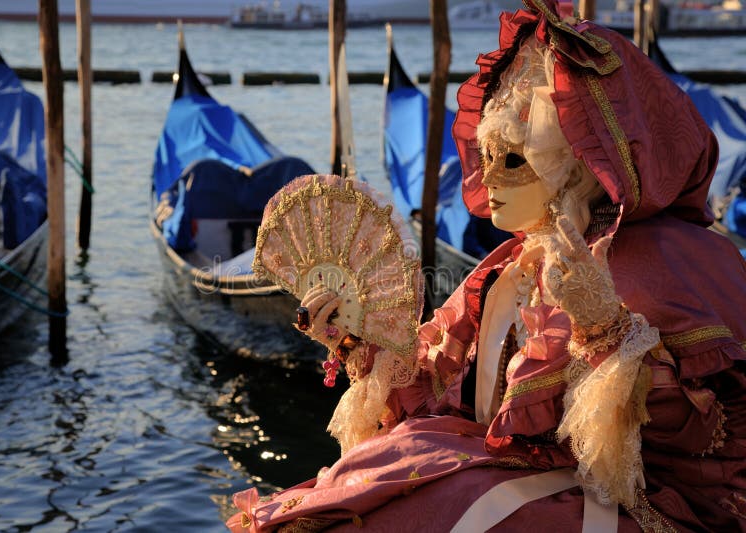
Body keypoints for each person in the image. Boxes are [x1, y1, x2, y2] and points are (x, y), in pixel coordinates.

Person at [229, 0, 746, 530]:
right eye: (488, 154)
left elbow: (710, 437)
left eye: (514, 159)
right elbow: (441, 397)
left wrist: (607, 333)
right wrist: (357, 341)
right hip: (516, 474)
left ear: (582, 167)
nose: (487, 176)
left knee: (449, 498)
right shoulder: (505, 271)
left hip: (637, 504)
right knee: (368, 479)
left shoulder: (672, 266)